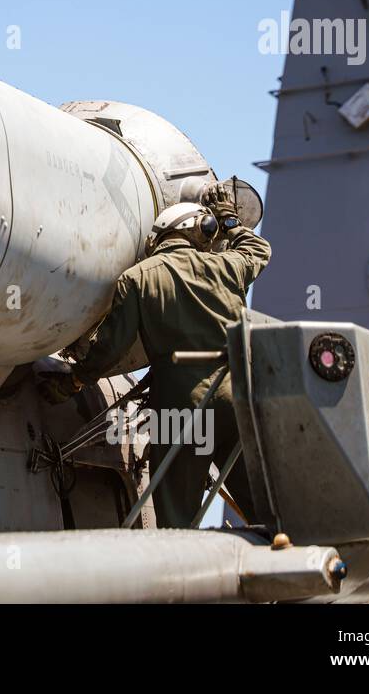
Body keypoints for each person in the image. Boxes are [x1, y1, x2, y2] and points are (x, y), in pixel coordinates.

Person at [37, 187, 271, 528]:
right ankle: (288, 559)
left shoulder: (137, 278)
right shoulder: (227, 267)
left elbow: (109, 350)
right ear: (199, 230)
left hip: (180, 404)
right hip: (237, 397)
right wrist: (228, 219)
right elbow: (258, 250)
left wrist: (72, 381)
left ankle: (186, 576)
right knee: (264, 504)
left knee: (178, 516)